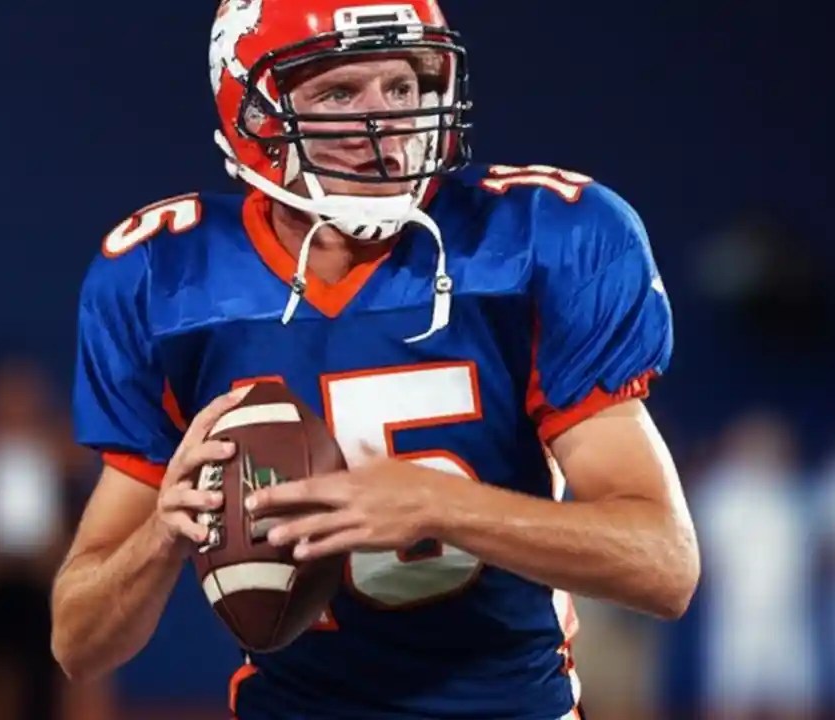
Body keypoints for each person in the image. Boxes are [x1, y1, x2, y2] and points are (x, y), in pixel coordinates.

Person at [52, 2, 700, 718]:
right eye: (339, 93)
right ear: (257, 115)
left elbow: (664, 564)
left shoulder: (538, 238)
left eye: (403, 86)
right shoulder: (163, 276)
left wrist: (443, 505)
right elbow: (79, 644)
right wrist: (160, 538)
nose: (383, 122)